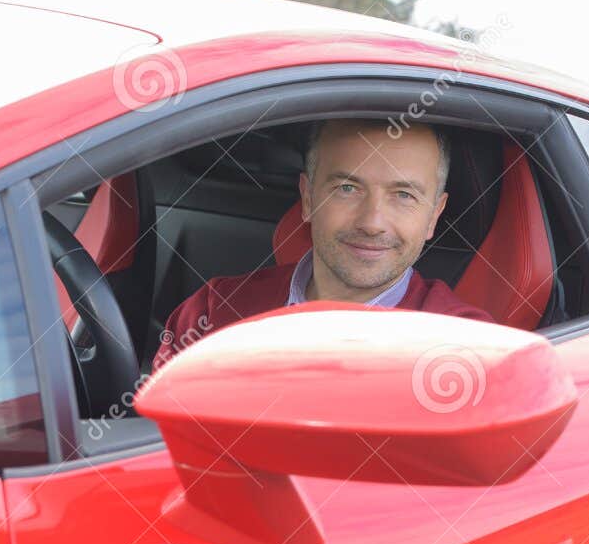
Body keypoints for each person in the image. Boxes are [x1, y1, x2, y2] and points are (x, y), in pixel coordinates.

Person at [151, 118, 493, 369]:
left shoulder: (467, 348)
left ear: (434, 215)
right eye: (347, 188)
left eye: (403, 195)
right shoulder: (212, 311)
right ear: (308, 197)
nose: (372, 223)